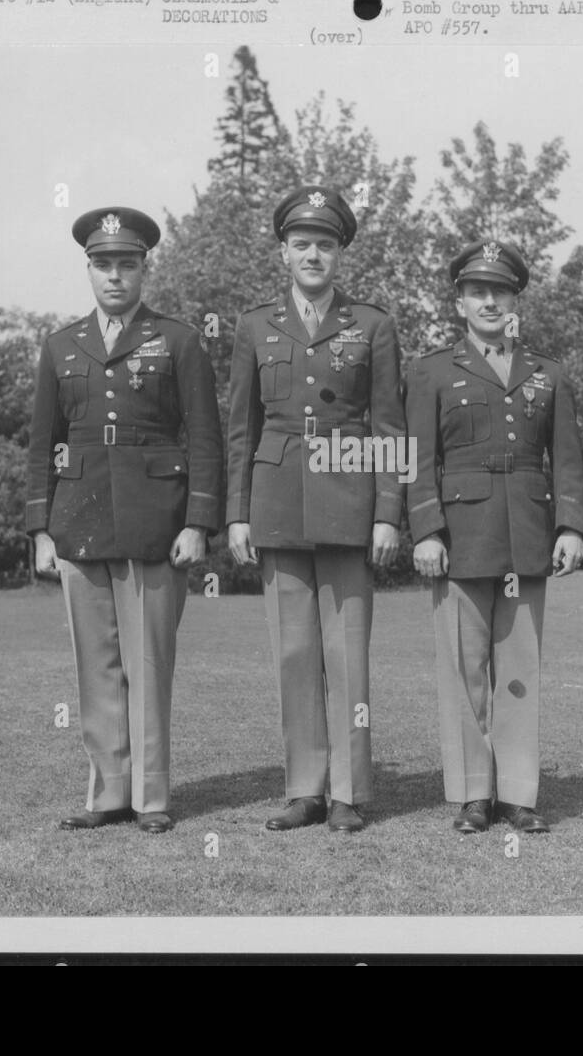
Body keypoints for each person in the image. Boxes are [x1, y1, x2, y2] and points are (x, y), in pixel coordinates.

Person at [26, 206, 222, 833]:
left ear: (144, 269)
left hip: (157, 524)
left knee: (148, 663)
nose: (115, 276)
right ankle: (108, 794)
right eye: (104, 265)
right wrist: (39, 530)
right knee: (96, 664)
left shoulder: (180, 340)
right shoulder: (60, 346)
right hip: (79, 523)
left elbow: (206, 441)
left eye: (126, 264)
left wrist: (198, 523)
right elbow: (41, 445)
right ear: (89, 270)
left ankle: (152, 797)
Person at [226, 185, 405, 833]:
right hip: (275, 503)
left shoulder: (374, 326)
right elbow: (241, 428)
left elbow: (389, 426)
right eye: (302, 244)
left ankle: (350, 789)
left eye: (325, 245)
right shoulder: (254, 326)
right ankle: (305, 786)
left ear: (340, 254)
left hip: (350, 503)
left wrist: (388, 510)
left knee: (348, 653)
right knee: (294, 654)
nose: (313, 255)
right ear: (283, 252)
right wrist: (236, 512)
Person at [405, 241, 583, 834]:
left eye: (501, 291)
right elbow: (416, 460)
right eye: (478, 291)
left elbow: (567, 461)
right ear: (460, 302)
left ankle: (518, 793)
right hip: (460, 537)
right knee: (463, 667)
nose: (490, 301)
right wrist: (426, 529)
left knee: (518, 669)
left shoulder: (548, 374)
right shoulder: (431, 371)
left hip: (528, 534)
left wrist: (571, 526)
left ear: (515, 302)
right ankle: (471, 793)